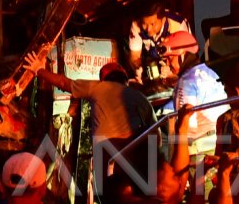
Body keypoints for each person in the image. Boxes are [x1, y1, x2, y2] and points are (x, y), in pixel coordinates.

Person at [25, 54, 157, 187]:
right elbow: (155, 134)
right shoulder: (140, 98)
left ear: (104, 78)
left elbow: (64, 83)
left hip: (106, 152)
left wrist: (38, 70)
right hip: (133, 153)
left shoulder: (98, 87)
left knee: (108, 193)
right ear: (125, 79)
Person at [127, 8, 197, 88]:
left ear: (162, 19)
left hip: (180, 66)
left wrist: (173, 74)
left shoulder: (177, 24)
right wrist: (138, 73)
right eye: (144, 24)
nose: (148, 29)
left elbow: (185, 57)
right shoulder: (137, 24)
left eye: (152, 24)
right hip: (155, 61)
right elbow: (135, 56)